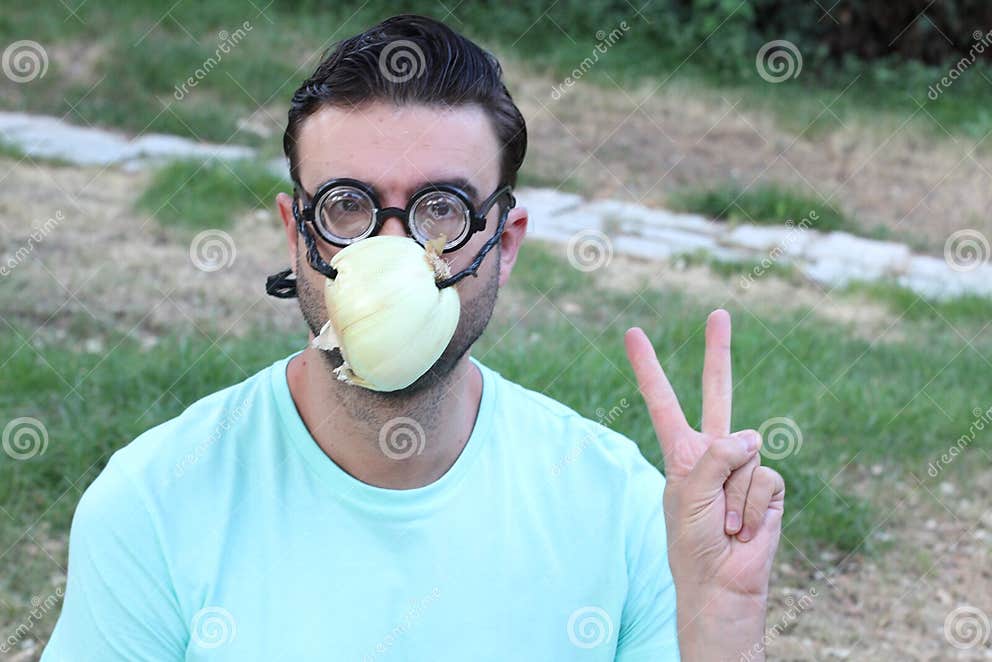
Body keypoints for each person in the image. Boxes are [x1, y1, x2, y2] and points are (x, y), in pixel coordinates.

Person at [43, 14, 784, 661]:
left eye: (442, 209)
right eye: (346, 206)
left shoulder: (624, 514)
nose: (391, 256)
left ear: (507, 240)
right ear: (295, 235)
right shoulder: (154, 503)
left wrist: (721, 632)